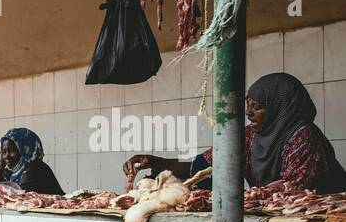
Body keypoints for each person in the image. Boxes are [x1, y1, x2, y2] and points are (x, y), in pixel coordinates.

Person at [123, 72, 346, 192]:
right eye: (248, 106)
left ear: (282, 108)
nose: (249, 113)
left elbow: (292, 191)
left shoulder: (304, 138)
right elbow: (206, 165)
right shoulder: (251, 136)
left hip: (325, 218)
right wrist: (158, 162)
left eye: (257, 107)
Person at [0, 127, 63, 194]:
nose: (7, 156)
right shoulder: (10, 172)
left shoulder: (36, 168)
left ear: (26, 150)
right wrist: (1, 164)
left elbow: (18, 194)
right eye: (4, 152)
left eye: (12, 151)